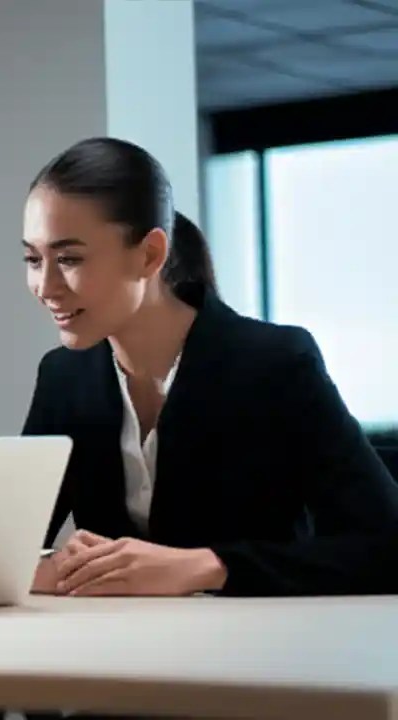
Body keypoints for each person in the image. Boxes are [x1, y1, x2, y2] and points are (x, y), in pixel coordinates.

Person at [20, 136, 398, 598]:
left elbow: (385, 546)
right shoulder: (64, 376)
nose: (44, 286)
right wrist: (35, 570)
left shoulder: (275, 364)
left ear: (150, 255)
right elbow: (9, 546)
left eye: (69, 259)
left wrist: (209, 565)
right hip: (111, 650)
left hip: (257, 655)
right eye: (34, 259)